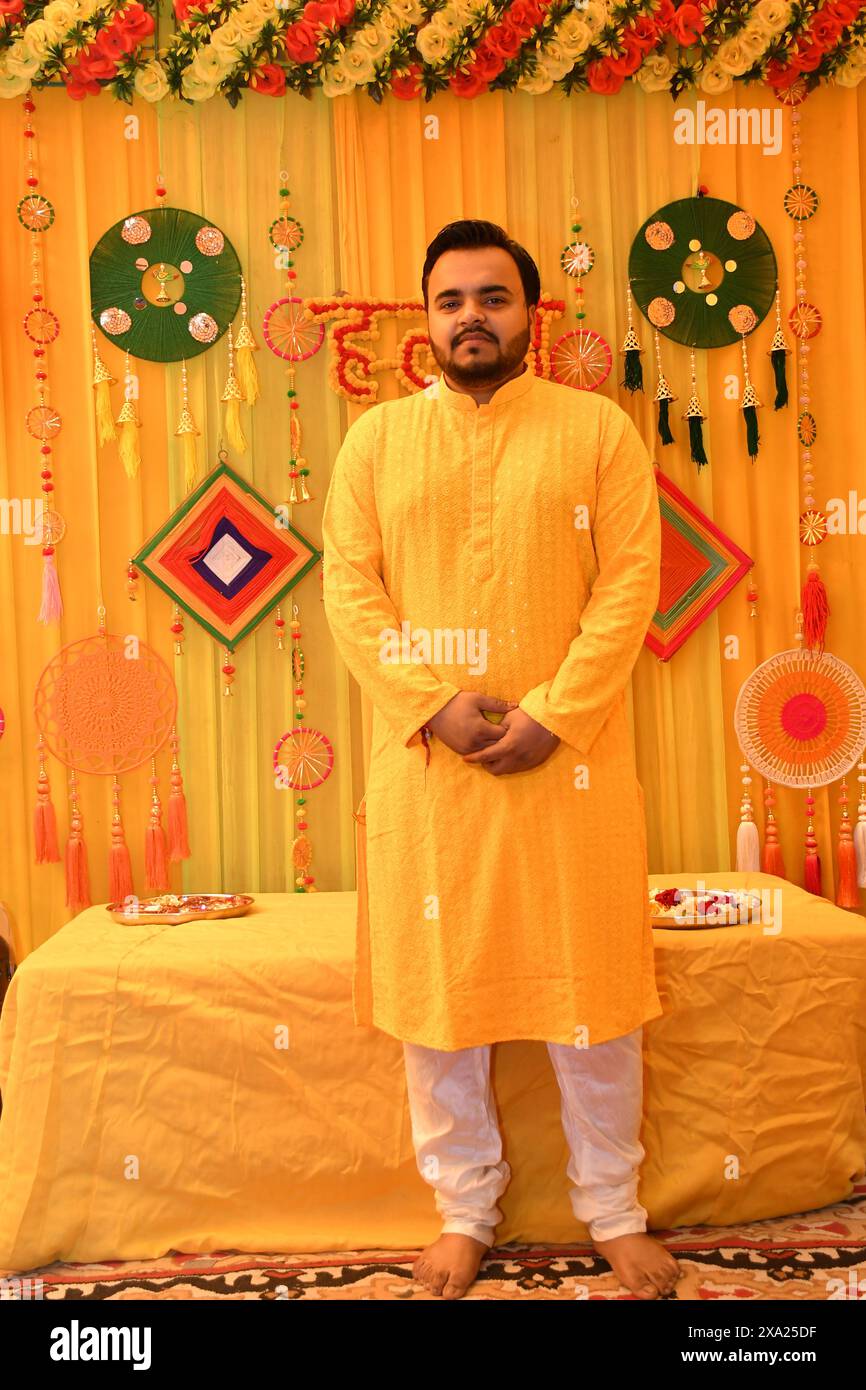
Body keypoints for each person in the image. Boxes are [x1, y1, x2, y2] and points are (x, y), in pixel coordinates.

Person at [322, 219, 680, 1301]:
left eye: (490, 297)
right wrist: (431, 706)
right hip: (431, 774)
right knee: (439, 1002)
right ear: (424, 319)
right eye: (449, 300)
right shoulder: (375, 443)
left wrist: (554, 716)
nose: (468, 316)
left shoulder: (596, 433)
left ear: (531, 313)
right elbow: (349, 591)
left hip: (568, 766)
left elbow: (627, 584)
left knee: (593, 991)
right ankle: (462, 1211)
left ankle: (612, 1209)